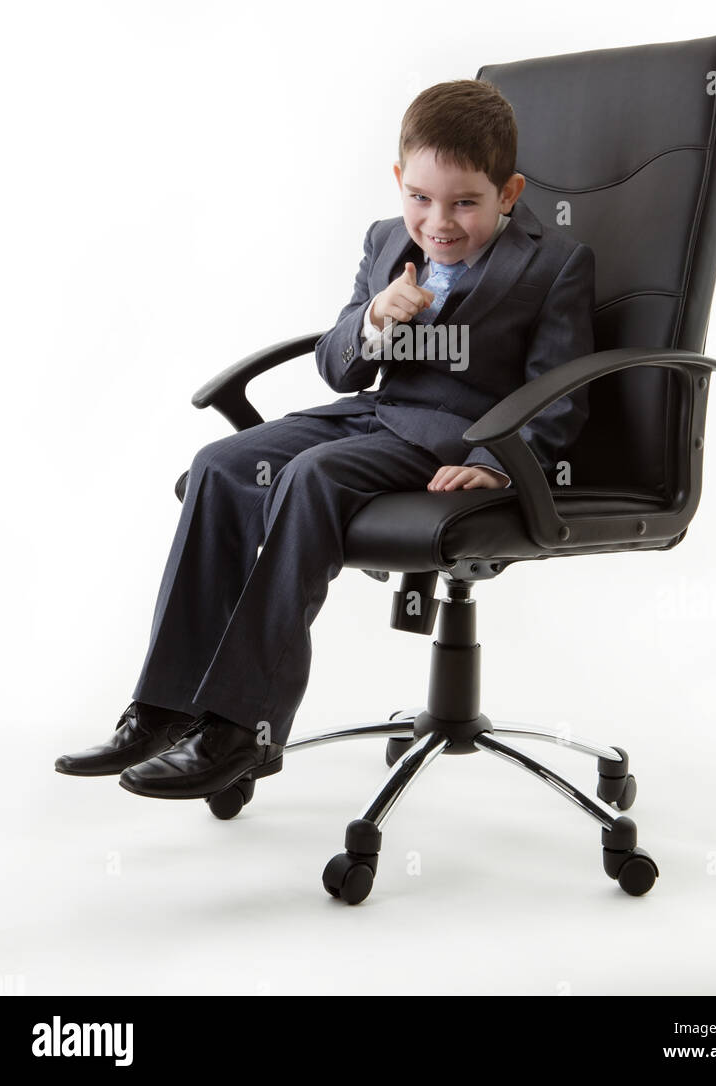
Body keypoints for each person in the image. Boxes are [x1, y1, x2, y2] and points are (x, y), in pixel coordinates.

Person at [54, 78, 595, 800]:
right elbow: (340, 368)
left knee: (312, 478)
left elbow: (564, 393)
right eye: (422, 198)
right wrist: (375, 321)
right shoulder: (384, 241)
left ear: (509, 192)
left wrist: (498, 463)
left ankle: (244, 727)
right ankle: (165, 706)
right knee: (218, 465)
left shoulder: (553, 262)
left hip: (452, 438)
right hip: (370, 415)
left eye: (465, 202)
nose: (439, 221)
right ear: (400, 182)